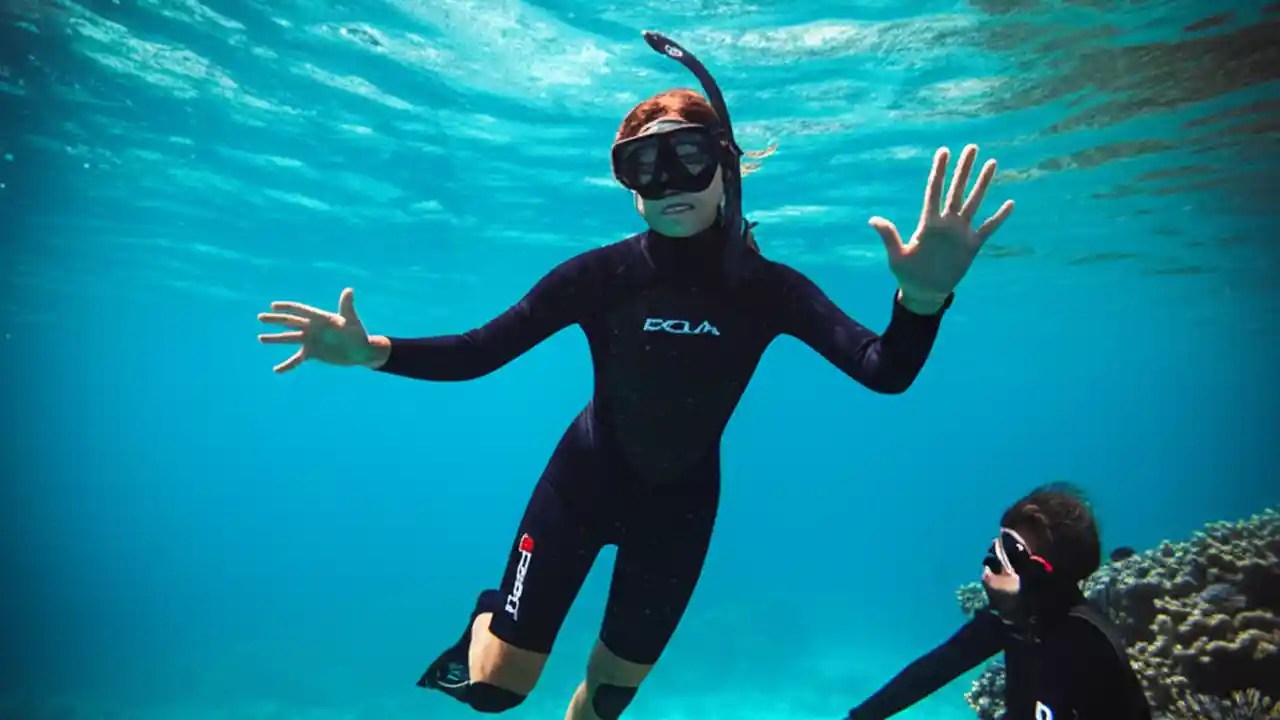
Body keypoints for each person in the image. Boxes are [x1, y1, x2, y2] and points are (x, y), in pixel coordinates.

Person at [256, 31, 1014, 720]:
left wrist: (922, 300)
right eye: (643, 167)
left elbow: (883, 372)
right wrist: (374, 351)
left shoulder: (769, 289)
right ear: (626, 183)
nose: (668, 181)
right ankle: (488, 614)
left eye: (687, 157)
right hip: (579, 488)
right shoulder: (601, 276)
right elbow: (481, 350)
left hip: (680, 512)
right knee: (493, 691)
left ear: (727, 163)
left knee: (608, 701)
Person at [843, 483, 1153, 720]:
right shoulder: (1012, 618)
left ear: (1046, 572)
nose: (991, 563)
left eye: (1011, 553)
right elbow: (935, 668)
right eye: (996, 546)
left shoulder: (1088, 644)